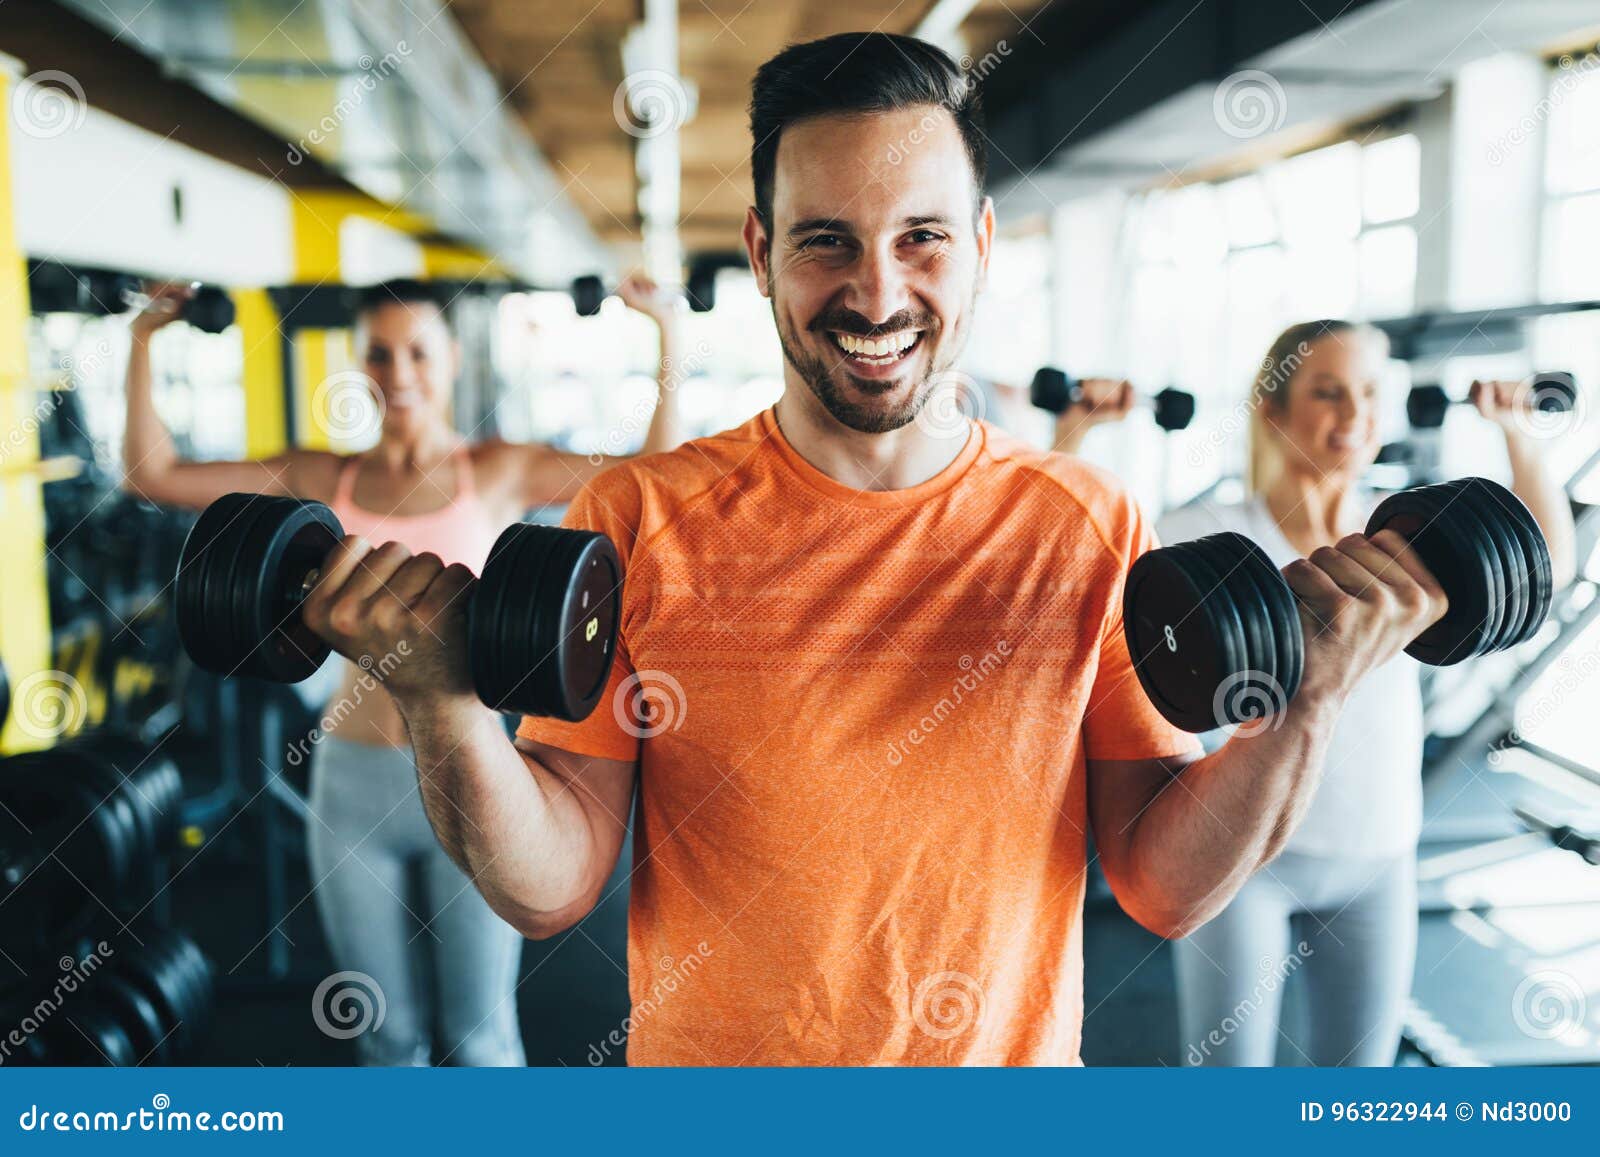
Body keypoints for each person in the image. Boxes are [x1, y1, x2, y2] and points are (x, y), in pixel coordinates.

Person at [288, 33, 1456, 1066]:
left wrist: (1304, 705)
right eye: (826, 241)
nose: (877, 290)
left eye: (923, 237)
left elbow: (1161, 886)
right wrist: (443, 708)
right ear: (759, 249)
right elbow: (552, 889)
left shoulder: (1086, 524)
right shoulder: (637, 516)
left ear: (983, 243)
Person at [122, 273, 685, 1065]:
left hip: (478, 774)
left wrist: (668, 334)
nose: (400, 372)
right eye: (380, 354)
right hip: (349, 784)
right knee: (384, 1038)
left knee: (480, 1035)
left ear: (450, 358)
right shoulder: (326, 480)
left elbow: (655, 469)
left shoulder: (496, 470)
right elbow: (157, 475)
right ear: (361, 365)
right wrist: (144, 339)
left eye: (418, 350)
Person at [1155, 320, 1576, 1066]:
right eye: (1327, 391)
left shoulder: (1413, 541)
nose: (1353, 416)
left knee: (1360, 1093)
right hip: (1246, 861)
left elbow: (1544, 573)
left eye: (1371, 393)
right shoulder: (1209, 532)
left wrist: (1517, 435)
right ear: (1274, 409)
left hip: (1379, 856)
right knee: (1224, 1091)